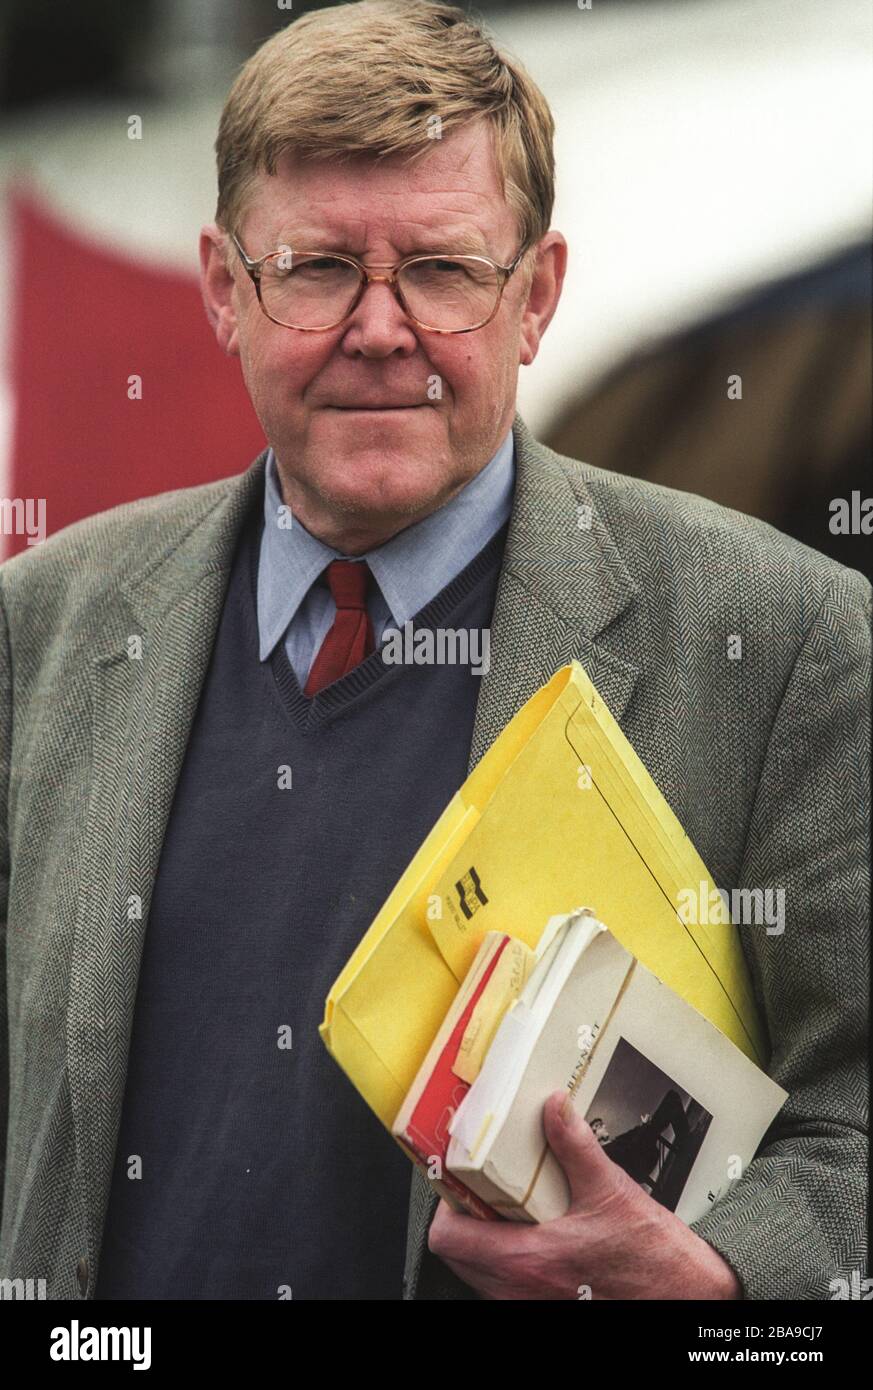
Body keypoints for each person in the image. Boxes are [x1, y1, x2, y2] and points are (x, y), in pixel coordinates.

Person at [0, 0, 868, 1302]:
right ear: (224, 291)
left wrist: (717, 1279)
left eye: (447, 270)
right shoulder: (44, 626)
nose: (381, 326)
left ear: (538, 297)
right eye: (317, 268)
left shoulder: (785, 641)